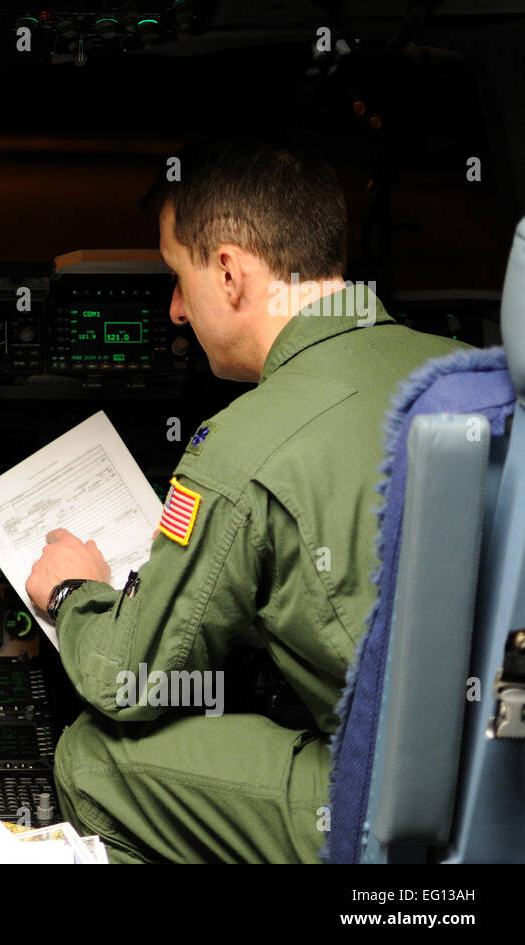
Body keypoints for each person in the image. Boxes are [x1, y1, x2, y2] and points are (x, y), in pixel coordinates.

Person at [25, 134, 469, 863]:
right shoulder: (469, 369)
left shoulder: (245, 443)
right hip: (494, 779)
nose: (173, 309)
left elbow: (126, 679)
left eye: (177, 276)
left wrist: (74, 589)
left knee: (93, 761)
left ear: (229, 271)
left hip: (386, 809)